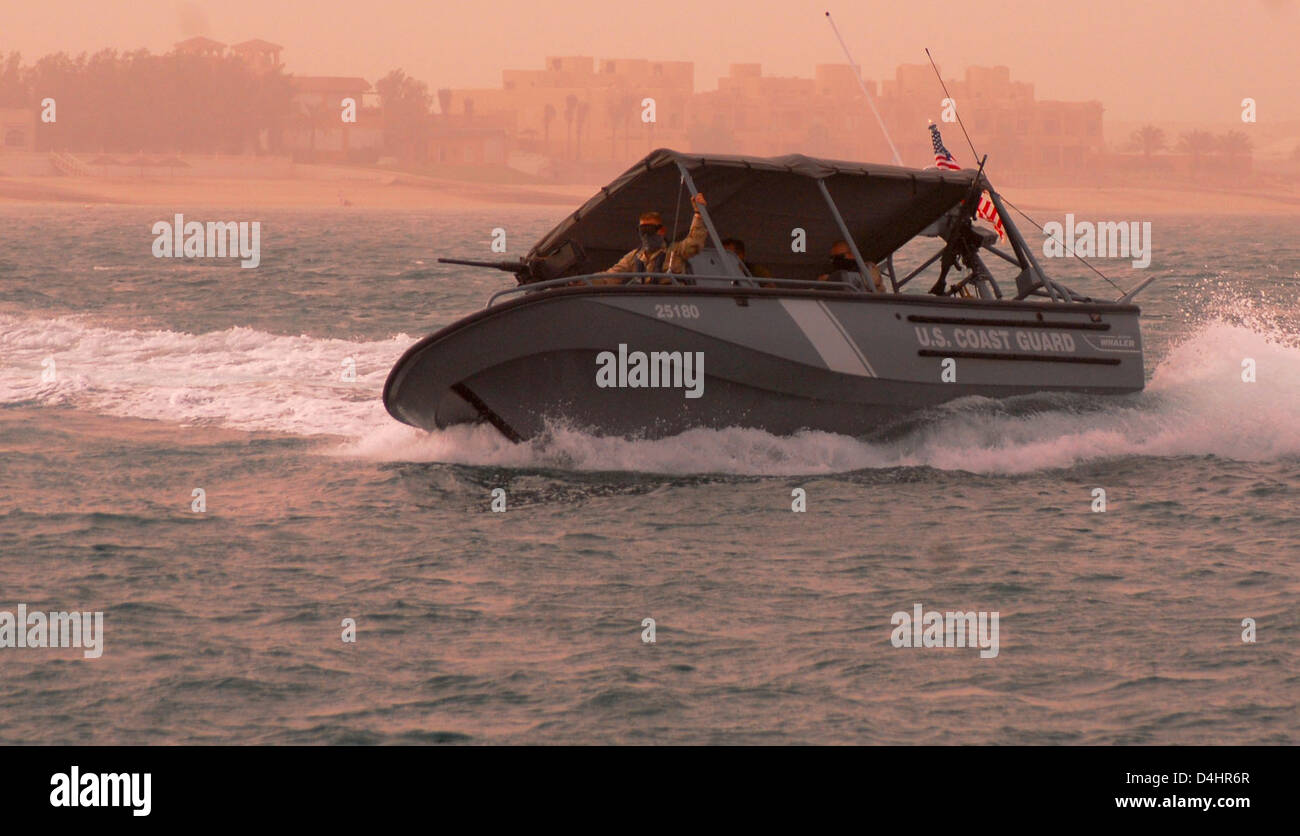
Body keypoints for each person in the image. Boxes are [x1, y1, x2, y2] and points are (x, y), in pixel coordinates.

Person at [597, 193, 708, 285]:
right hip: (646, 301)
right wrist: (584, 282)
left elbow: (695, 243)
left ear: (661, 231)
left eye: (649, 229)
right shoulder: (634, 257)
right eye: (642, 230)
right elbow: (610, 276)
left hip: (673, 301)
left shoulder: (676, 251)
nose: (646, 235)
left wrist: (698, 214)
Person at [818, 239, 886, 292]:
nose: (836, 261)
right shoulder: (831, 274)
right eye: (832, 258)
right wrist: (826, 283)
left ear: (852, 254)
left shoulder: (868, 268)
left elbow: (873, 283)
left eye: (839, 257)